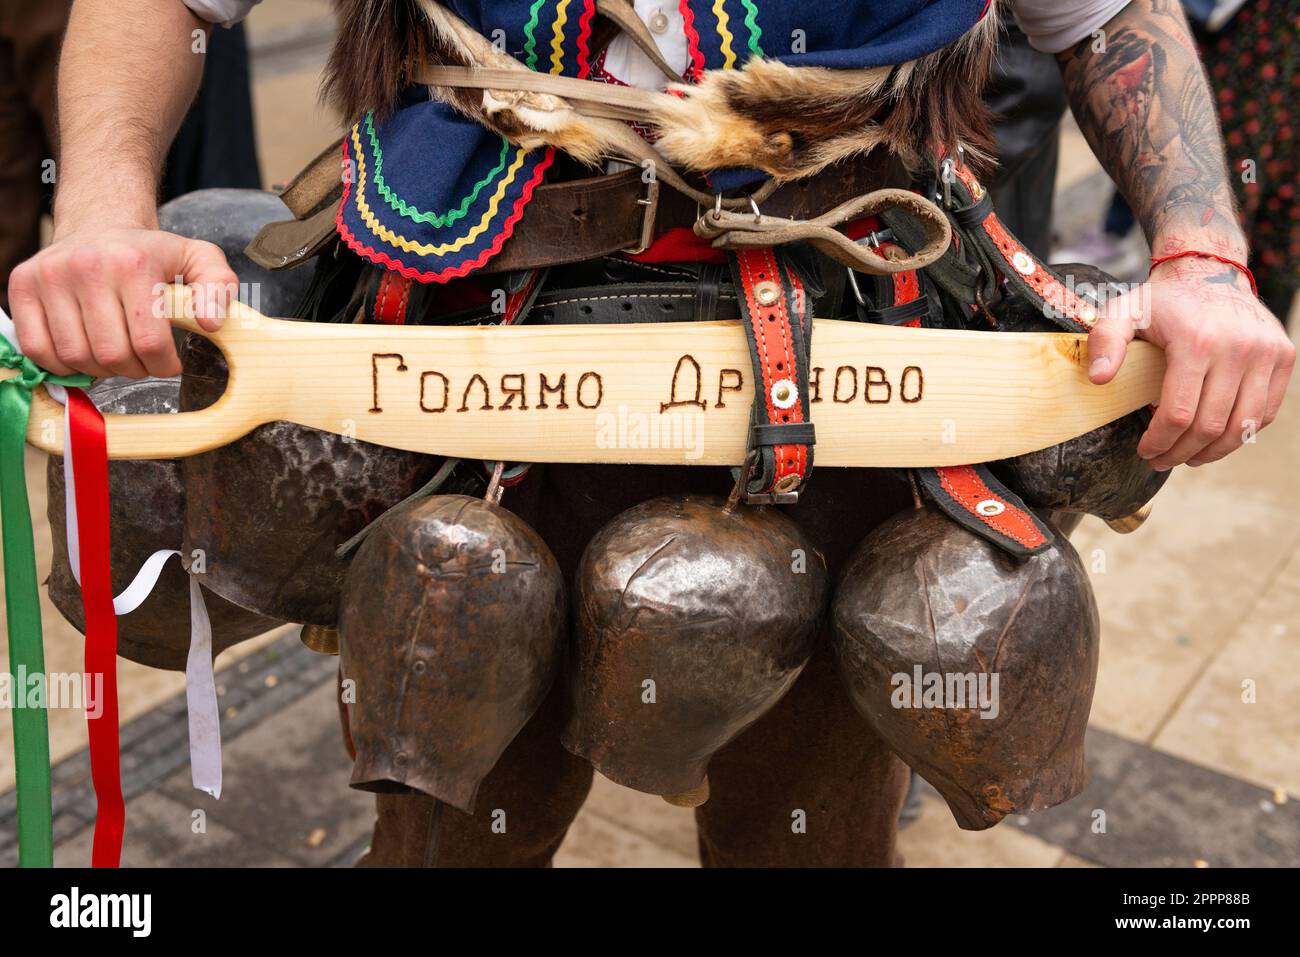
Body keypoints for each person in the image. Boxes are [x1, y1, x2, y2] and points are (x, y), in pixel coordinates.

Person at [8, 0, 1294, 868]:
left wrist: (1200, 253)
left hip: (850, 348)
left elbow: (1105, 11)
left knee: (810, 840)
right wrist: (103, 205)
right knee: (451, 830)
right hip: (465, 331)